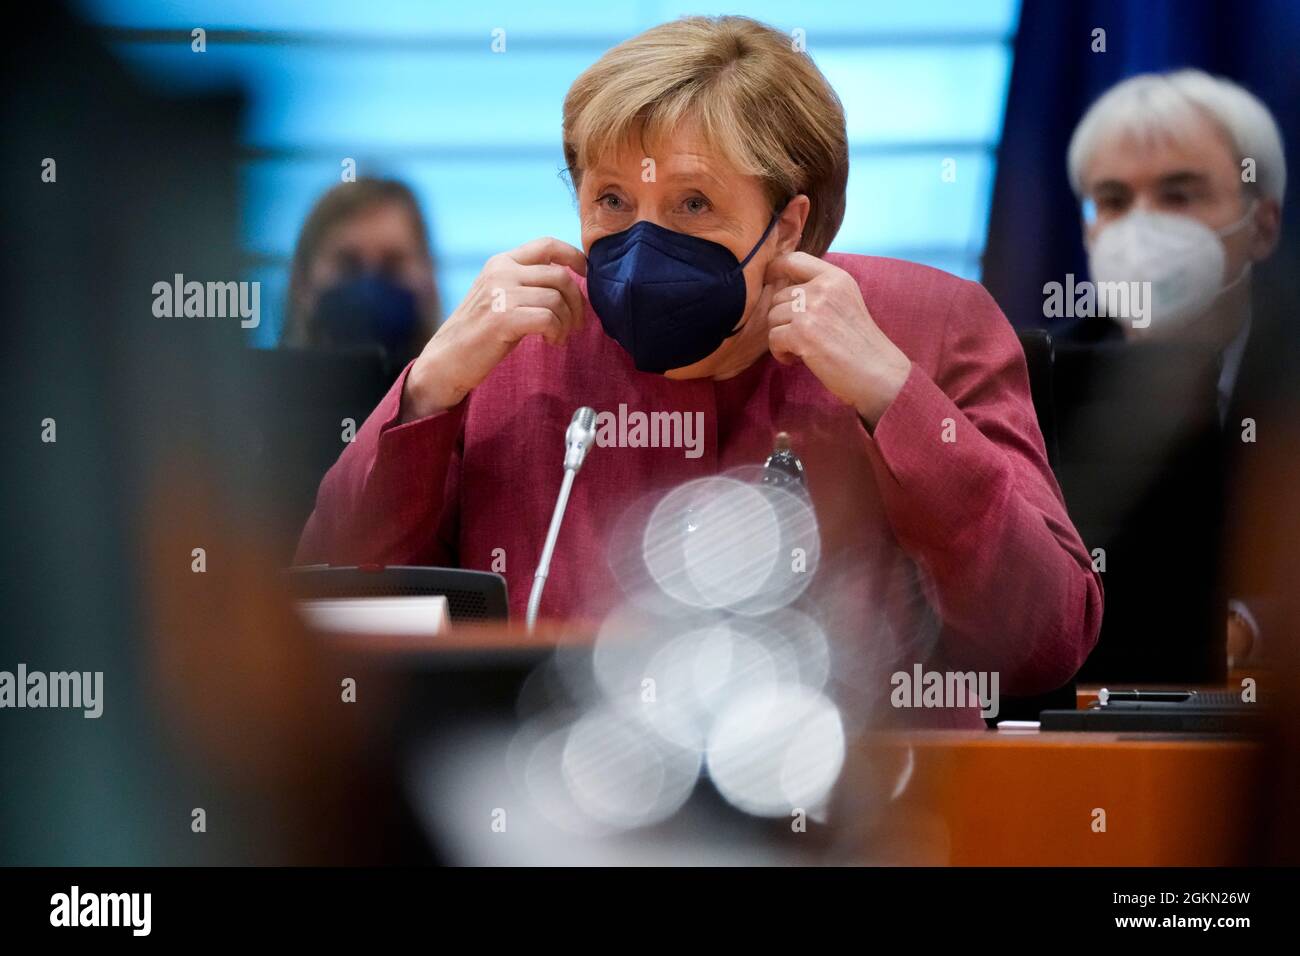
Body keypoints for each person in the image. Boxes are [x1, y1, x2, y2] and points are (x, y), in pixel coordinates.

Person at [296, 15, 1102, 719]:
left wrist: (896, 399)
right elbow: (332, 620)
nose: (644, 242)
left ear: (788, 225)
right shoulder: (518, 345)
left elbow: (1043, 642)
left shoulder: (928, 327)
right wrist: (427, 392)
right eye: (612, 200)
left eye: (692, 204)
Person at [1061, 69, 1286, 676]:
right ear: (1088, 230)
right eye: (1113, 202)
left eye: (1179, 196)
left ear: (1263, 224)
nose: (1141, 228)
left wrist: (1255, 628)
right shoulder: (1038, 381)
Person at [282, 177, 440, 369]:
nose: (369, 286)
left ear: (428, 278)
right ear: (303, 280)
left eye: (392, 264)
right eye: (348, 264)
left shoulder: (466, 396)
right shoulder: (255, 394)